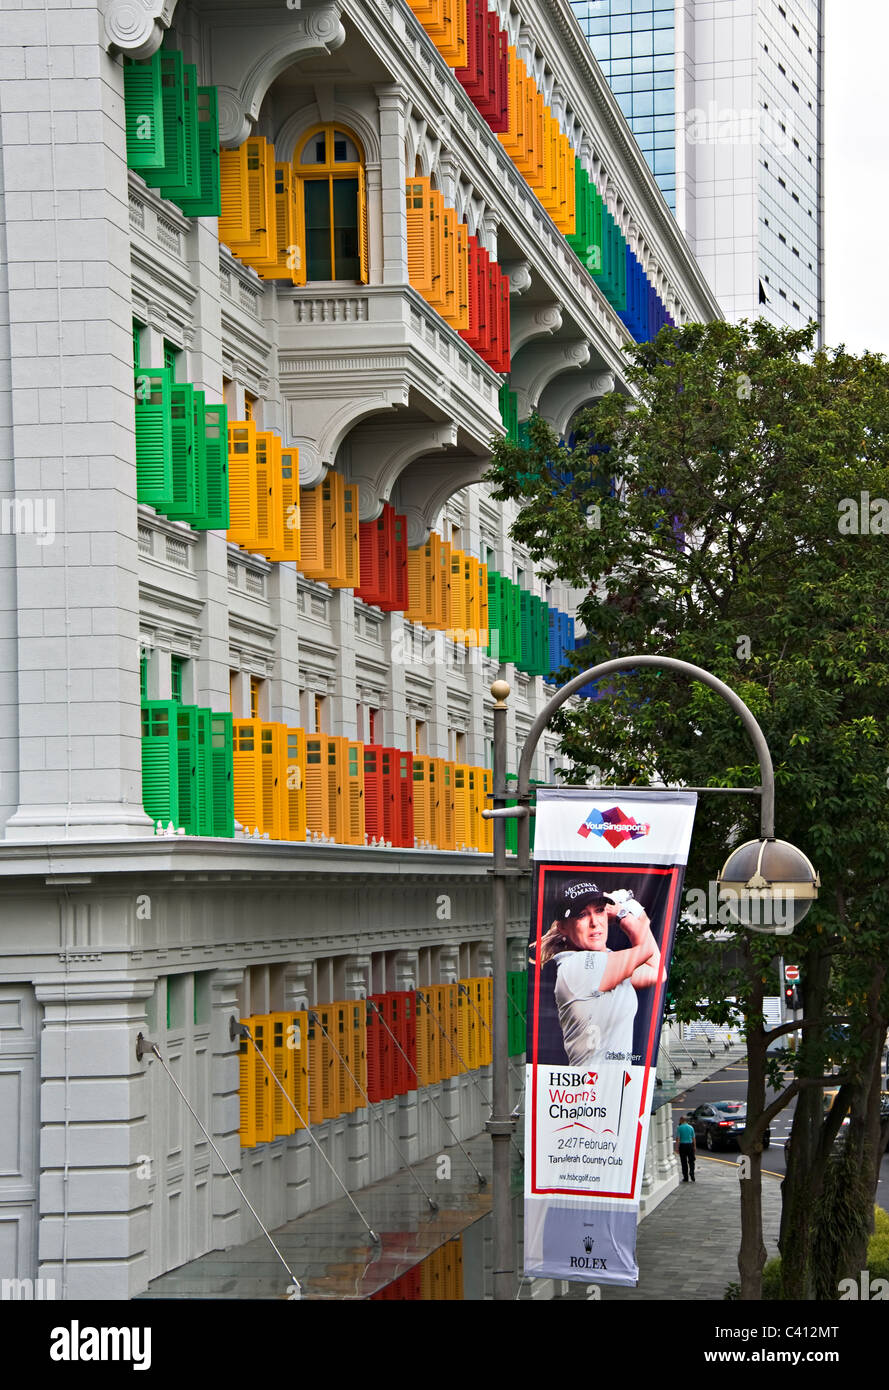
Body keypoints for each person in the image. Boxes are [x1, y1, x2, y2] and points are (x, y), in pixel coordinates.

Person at [533, 880, 660, 1069]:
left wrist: (635, 910)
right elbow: (648, 949)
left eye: (599, 910)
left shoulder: (607, 961)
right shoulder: (578, 966)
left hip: (612, 1089)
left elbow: (656, 971)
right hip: (589, 1091)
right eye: (582, 915)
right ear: (563, 928)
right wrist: (622, 913)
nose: (595, 922)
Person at [676, 1114, 696, 1183]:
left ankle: (686, 1177)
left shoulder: (679, 1128)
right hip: (690, 1145)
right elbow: (693, 1138)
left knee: (683, 1162)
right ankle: (692, 1173)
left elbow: (678, 1138)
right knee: (691, 1161)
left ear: (682, 1120)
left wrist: (677, 1147)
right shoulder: (691, 1127)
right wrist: (694, 1147)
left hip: (682, 1145)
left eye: (680, 1120)